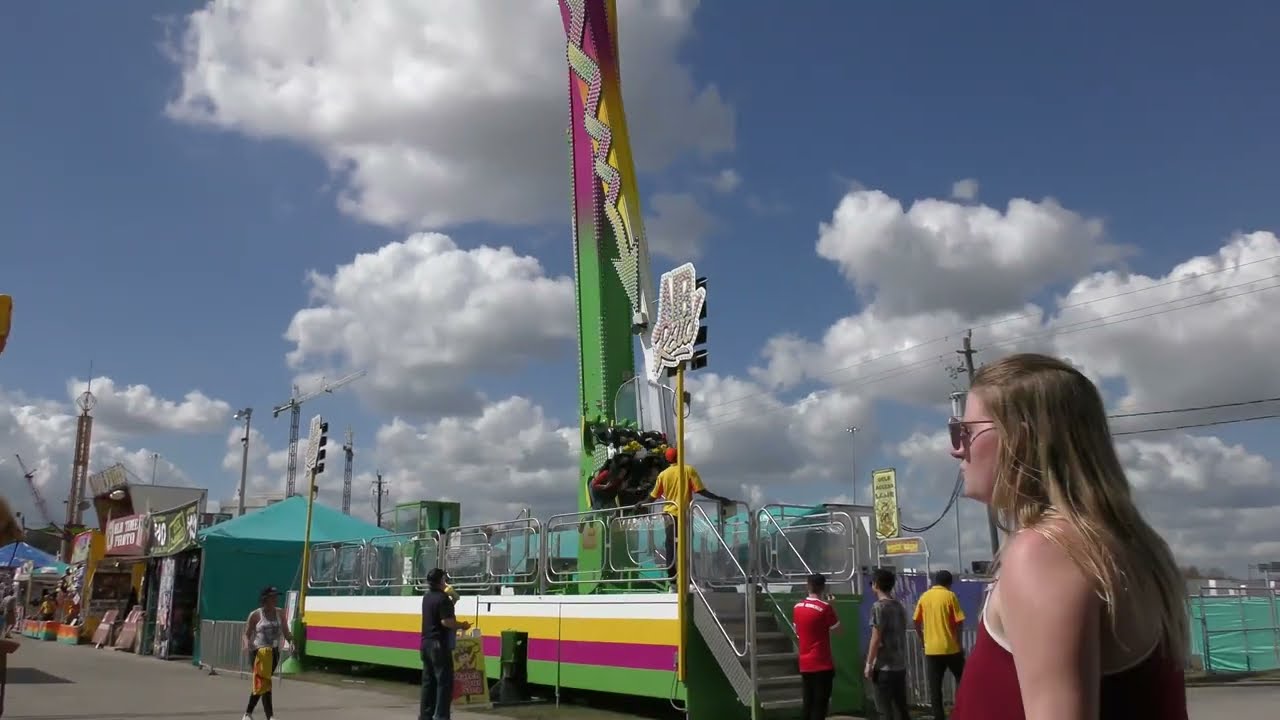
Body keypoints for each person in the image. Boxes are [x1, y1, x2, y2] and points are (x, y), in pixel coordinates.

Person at [948, 353, 1189, 719]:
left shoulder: (1047, 553)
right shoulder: (1133, 546)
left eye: (964, 432)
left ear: (1020, 439)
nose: (956, 449)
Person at [642, 447, 733, 581]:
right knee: (687, 545)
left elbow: (653, 496)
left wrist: (641, 504)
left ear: (667, 459)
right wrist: (720, 499)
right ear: (680, 456)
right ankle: (688, 578)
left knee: (671, 546)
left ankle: (672, 578)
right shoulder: (688, 470)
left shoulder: (663, 475)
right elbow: (701, 491)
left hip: (669, 514)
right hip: (684, 514)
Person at [914, 569, 966, 719]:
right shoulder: (950, 596)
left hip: (931, 650)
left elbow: (916, 621)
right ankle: (961, 713)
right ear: (949, 583)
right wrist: (959, 642)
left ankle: (939, 717)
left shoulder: (924, 597)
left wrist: (922, 639)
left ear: (935, 581)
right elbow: (959, 621)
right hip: (951, 648)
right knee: (963, 681)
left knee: (935, 688)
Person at [421, 568, 470, 720]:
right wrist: (462, 625)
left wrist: (452, 599)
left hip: (426, 644)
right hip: (439, 646)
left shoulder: (427, 597)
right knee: (444, 682)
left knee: (428, 682)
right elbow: (446, 621)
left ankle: (425, 715)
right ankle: (441, 716)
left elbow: (440, 613)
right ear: (442, 580)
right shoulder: (443, 599)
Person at [241, 586, 293, 720]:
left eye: (276, 597)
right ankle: (268, 716)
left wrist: (292, 642)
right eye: (273, 597)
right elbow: (246, 634)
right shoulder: (255, 614)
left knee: (264, 683)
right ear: (265, 599)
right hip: (259, 653)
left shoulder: (280, 613)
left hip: (273, 653)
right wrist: (247, 644)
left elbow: (286, 632)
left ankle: (248, 714)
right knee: (264, 682)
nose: (276, 599)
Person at [793, 573, 840, 720]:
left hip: (805, 663)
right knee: (820, 704)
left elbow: (797, 631)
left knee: (808, 701)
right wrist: (833, 607)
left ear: (808, 586)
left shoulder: (797, 607)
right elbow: (838, 630)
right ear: (823, 587)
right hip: (822, 663)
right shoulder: (825, 608)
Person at [865, 568, 910, 720]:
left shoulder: (878, 607)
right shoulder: (899, 606)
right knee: (901, 708)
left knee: (884, 710)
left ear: (876, 585)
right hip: (899, 664)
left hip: (883, 666)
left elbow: (876, 638)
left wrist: (869, 664)